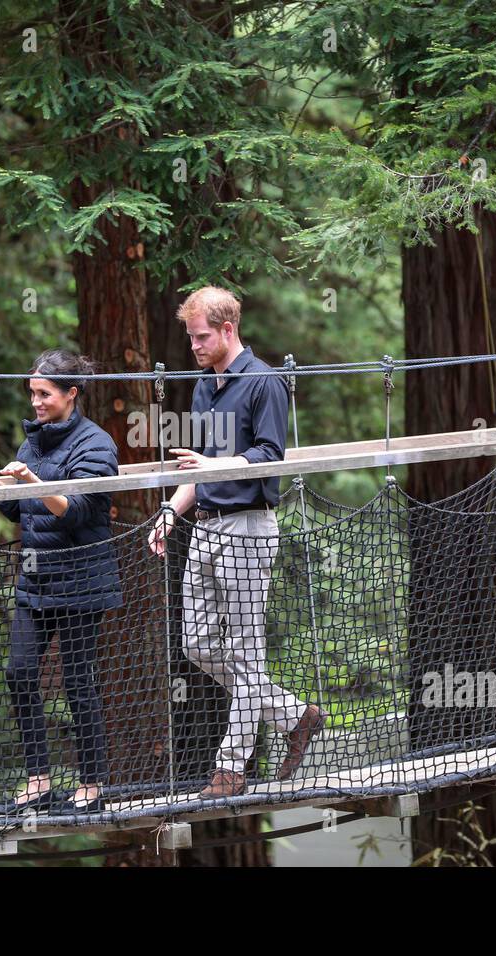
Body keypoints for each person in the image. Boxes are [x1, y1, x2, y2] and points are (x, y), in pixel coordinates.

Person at [149, 287, 325, 798]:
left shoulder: (265, 382)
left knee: (247, 658)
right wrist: (169, 511)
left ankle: (230, 770)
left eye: (201, 337)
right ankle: (296, 715)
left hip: (248, 527)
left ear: (228, 330)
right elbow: (197, 468)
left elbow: (270, 455)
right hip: (203, 525)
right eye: (190, 337)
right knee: (197, 644)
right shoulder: (206, 387)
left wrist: (214, 467)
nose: (194, 346)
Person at [0, 350, 122, 814]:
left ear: (71, 394)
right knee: (19, 672)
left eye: (44, 393)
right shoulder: (33, 444)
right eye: (33, 392)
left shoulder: (97, 445)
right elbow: (18, 508)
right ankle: (39, 779)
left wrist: (31, 479)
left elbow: (78, 512)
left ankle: (92, 784)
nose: (36, 402)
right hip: (35, 582)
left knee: (77, 682)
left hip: (82, 581)